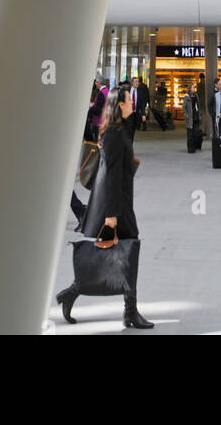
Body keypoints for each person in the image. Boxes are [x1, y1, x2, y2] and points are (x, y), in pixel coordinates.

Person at [56, 86, 154, 329]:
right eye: (129, 100)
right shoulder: (112, 133)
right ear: (119, 105)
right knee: (128, 251)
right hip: (115, 205)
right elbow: (109, 174)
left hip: (121, 201)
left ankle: (83, 294)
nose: (133, 102)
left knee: (127, 252)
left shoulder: (122, 129)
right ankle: (128, 310)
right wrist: (111, 214)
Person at [183, 83, 201, 152]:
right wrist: (186, 115)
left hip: (195, 115)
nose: (194, 89)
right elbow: (184, 108)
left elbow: (198, 106)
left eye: (194, 88)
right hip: (190, 117)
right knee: (190, 133)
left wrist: (199, 114)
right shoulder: (186, 97)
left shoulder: (196, 96)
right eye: (193, 88)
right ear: (190, 89)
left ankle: (195, 145)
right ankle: (190, 148)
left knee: (195, 132)